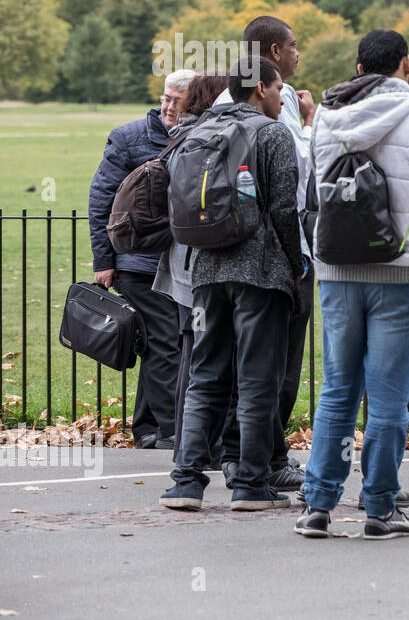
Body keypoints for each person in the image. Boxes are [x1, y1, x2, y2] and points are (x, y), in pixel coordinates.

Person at [295, 30, 409, 540]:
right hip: (406, 274)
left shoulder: (324, 118)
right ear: (406, 65)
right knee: (389, 399)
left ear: (358, 66)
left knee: (337, 390)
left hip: (339, 273)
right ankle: (380, 507)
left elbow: (311, 199)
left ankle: (317, 505)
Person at [160, 56, 303, 512]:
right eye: (280, 89)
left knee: (205, 375)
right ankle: (251, 484)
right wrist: (294, 266)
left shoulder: (197, 130)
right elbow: (283, 208)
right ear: (260, 88)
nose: (284, 98)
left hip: (205, 273)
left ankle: (185, 481)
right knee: (259, 377)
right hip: (259, 273)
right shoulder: (272, 133)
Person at [212, 16, 315, 492]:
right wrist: (312, 125)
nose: (298, 53)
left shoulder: (220, 105)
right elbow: (295, 175)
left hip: (220, 254)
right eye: (293, 46)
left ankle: (233, 456)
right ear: (273, 54)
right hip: (271, 251)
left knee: (235, 364)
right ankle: (263, 459)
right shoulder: (280, 102)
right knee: (276, 366)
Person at [88, 68, 196, 449]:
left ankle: (149, 427)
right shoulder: (129, 138)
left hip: (177, 264)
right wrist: (104, 260)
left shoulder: (196, 135)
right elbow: (101, 199)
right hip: (137, 264)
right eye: (165, 98)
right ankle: (168, 430)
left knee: (162, 344)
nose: (166, 106)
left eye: (176, 101)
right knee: (167, 342)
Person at [151, 71, 230, 458]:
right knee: (200, 356)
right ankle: (196, 447)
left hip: (181, 267)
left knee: (191, 350)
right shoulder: (205, 140)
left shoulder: (181, 137)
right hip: (197, 268)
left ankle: (191, 445)